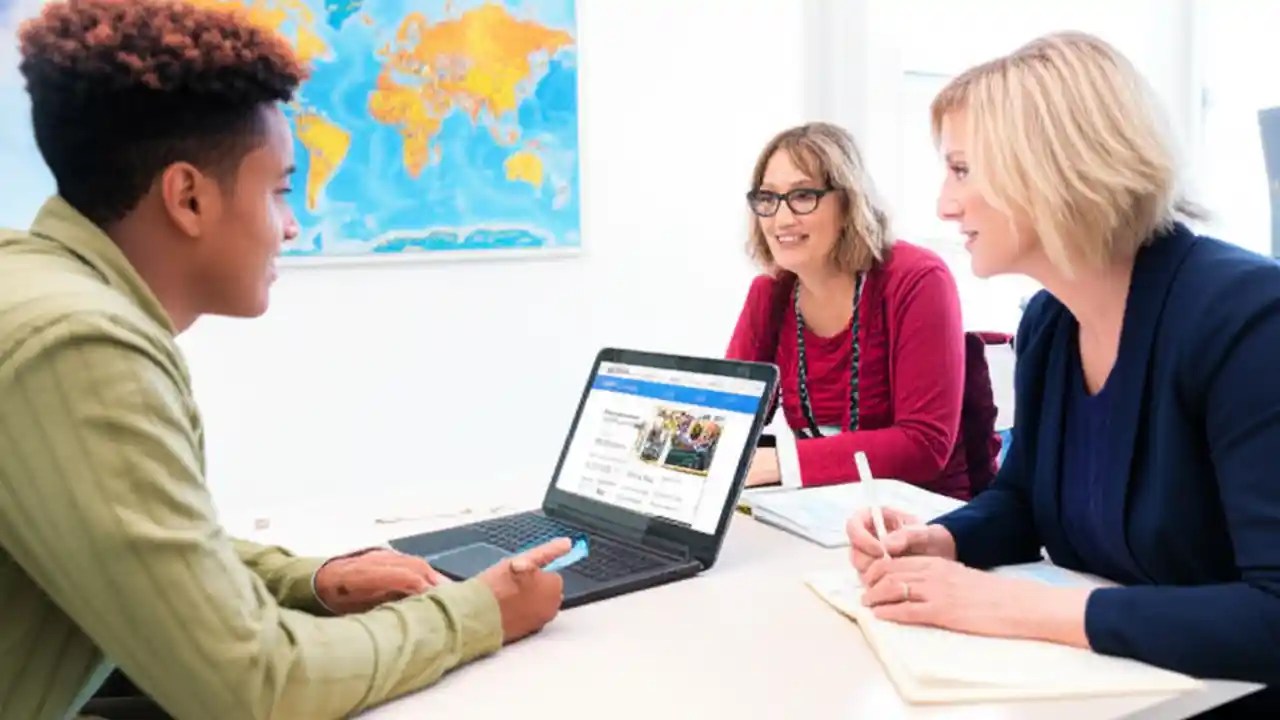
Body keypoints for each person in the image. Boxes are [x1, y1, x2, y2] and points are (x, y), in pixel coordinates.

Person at [0, 1, 570, 718]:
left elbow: (126, 547)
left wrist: (312, 579)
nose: (292, 226)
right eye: (279, 191)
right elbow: (255, 687)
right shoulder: (79, 346)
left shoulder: (25, 280)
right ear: (188, 198)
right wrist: (478, 613)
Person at [848, 31, 1280, 714]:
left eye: (961, 170)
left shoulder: (1250, 321)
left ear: (1050, 167)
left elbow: (1273, 614)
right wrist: (946, 540)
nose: (943, 204)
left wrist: (1029, 609)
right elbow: (1024, 503)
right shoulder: (1051, 322)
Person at [726, 122, 998, 499]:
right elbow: (728, 424)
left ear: (849, 201)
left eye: (803, 196)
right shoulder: (771, 293)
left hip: (929, 515)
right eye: (768, 198)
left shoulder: (917, 278)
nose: (781, 219)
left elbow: (924, 444)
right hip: (820, 506)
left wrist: (778, 463)